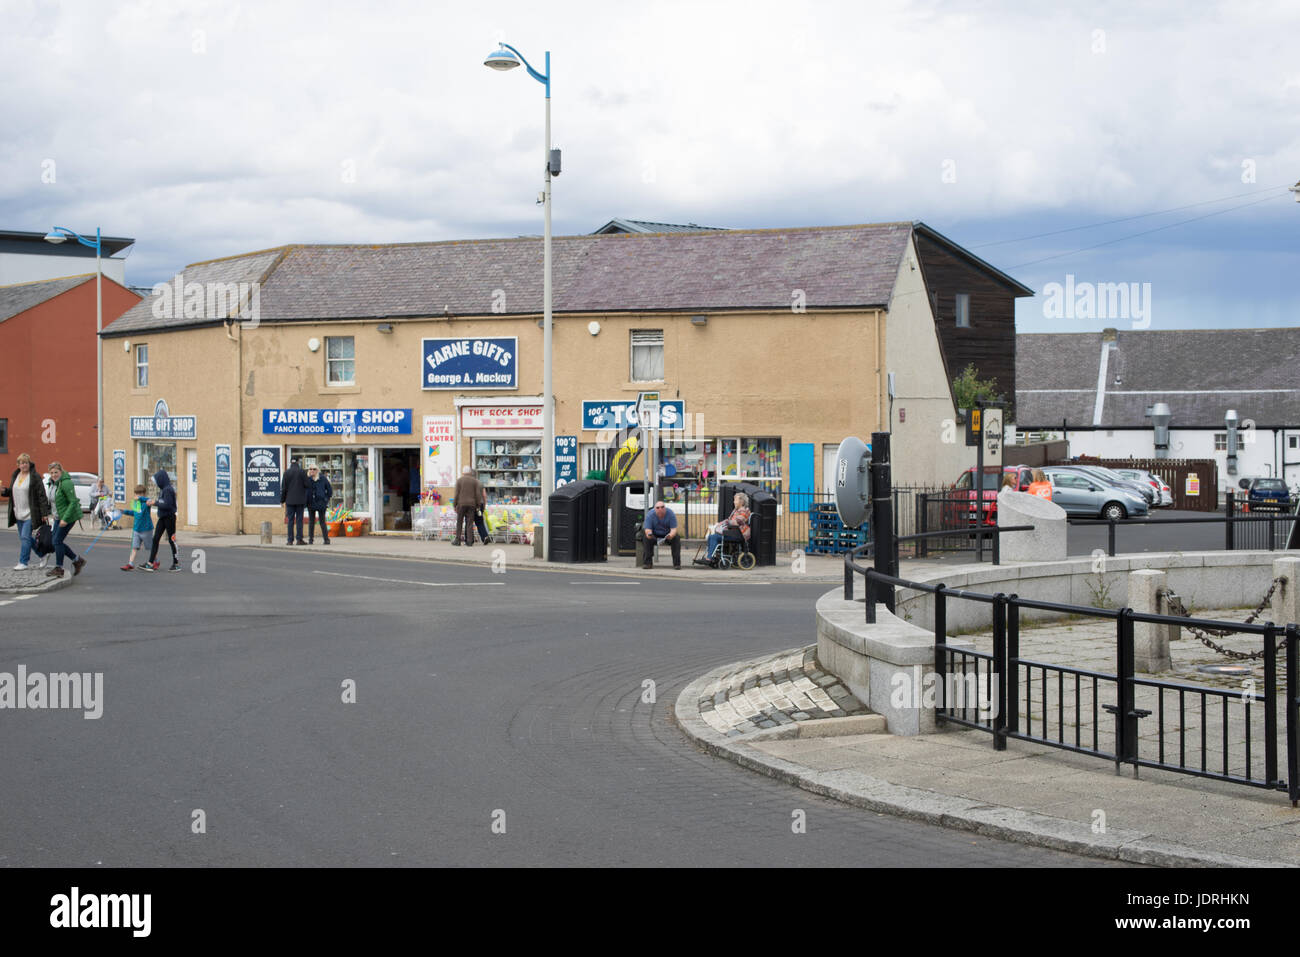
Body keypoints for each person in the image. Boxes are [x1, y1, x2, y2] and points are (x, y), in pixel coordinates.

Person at [1, 452, 52, 570]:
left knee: (25, 537)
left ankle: (23, 562)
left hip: (30, 513)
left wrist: (44, 513)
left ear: (29, 464)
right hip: (18, 513)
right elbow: (13, 492)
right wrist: (4, 491)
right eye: (21, 463)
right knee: (26, 538)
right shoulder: (16, 475)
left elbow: (41, 496)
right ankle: (43, 554)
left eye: (25, 462)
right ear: (18, 465)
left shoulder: (34, 477)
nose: (23, 465)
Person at [45, 461, 87, 579]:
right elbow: (55, 501)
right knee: (56, 541)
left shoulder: (66, 483)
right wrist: (53, 514)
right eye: (52, 473)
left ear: (61, 471)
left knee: (57, 541)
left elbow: (73, 502)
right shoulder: (53, 483)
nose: (54, 475)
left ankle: (59, 568)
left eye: (56, 472)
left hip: (68, 517)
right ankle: (77, 560)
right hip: (59, 516)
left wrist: (65, 519)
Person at [696, 491, 750, 568]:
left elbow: (738, 521)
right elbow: (728, 520)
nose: (734, 502)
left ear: (741, 501)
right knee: (711, 536)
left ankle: (709, 558)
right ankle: (710, 556)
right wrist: (719, 523)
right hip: (732, 533)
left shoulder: (744, 511)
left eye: (735, 500)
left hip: (738, 534)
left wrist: (727, 523)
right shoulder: (736, 510)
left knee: (714, 537)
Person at [145, 469, 180, 572]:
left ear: (161, 479)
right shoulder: (163, 490)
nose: (156, 483)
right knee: (155, 539)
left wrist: (154, 503)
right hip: (162, 517)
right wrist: (154, 502)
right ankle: (150, 562)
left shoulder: (168, 490)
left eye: (157, 480)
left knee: (171, 540)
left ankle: (176, 563)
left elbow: (167, 504)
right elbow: (162, 502)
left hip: (169, 517)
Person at [118, 484, 154, 570]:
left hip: (146, 529)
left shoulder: (146, 503)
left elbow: (150, 500)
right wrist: (123, 511)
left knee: (150, 547)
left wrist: (141, 498)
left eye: (140, 494)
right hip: (136, 530)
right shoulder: (136, 504)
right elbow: (134, 513)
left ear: (144, 494)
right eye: (137, 494)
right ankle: (130, 563)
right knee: (134, 547)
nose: (138, 496)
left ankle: (155, 561)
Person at [642, 500, 682, 569]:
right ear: (655, 509)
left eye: (662, 507)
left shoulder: (670, 513)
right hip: (654, 535)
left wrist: (671, 535)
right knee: (646, 539)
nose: (660, 509)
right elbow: (647, 530)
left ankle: (677, 564)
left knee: (676, 538)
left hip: (667, 535)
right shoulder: (650, 515)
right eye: (658, 508)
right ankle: (647, 563)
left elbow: (673, 529)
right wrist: (649, 535)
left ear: (665, 508)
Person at [453, 466, 484, 546]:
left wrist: (454, 504)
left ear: (463, 473)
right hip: (472, 504)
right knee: (469, 523)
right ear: (470, 472)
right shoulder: (474, 481)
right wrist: (478, 504)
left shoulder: (459, 481)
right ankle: (469, 541)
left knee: (459, 522)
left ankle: (458, 540)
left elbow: (456, 494)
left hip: (461, 504)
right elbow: (477, 494)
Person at [280, 458, 309, 545]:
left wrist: (282, 500)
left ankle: (290, 540)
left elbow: (284, 488)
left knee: (290, 520)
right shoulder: (302, 472)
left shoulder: (286, 473)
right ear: (297, 462)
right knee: (299, 520)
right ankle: (299, 539)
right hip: (300, 500)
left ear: (290, 463)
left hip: (290, 500)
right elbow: (307, 484)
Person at [306, 464, 333, 545]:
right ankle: (311, 539)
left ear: (317, 470)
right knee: (311, 522)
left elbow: (329, 491)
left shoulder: (322, 478)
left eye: (314, 469)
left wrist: (325, 500)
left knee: (322, 522)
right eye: (310, 469)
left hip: (321, 503)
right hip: (311, 502)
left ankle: (326, 539)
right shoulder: (307, 479)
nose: (312, 471)